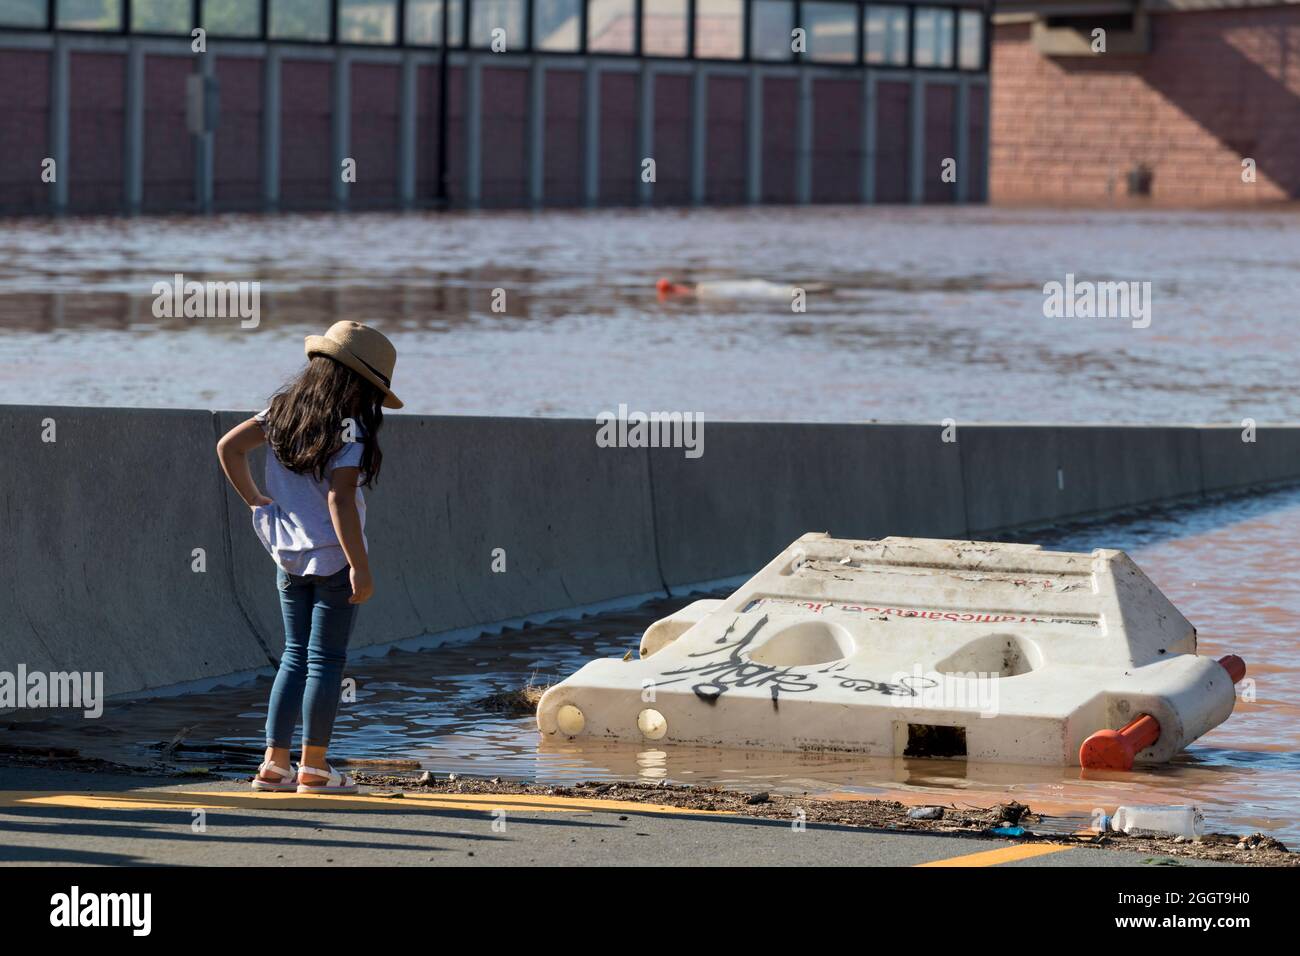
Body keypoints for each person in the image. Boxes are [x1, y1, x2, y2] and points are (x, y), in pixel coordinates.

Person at [216, 321, 401, 794]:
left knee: (293, 658)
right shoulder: (351, 427)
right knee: (326, 661)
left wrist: (257, 500)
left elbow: (229, 447)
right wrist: (359, 565)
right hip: (333, 560)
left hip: (288, 556)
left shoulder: (282, 411)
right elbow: (340, 502)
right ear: (363, 383)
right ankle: (315, 768)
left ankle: (274, 765)